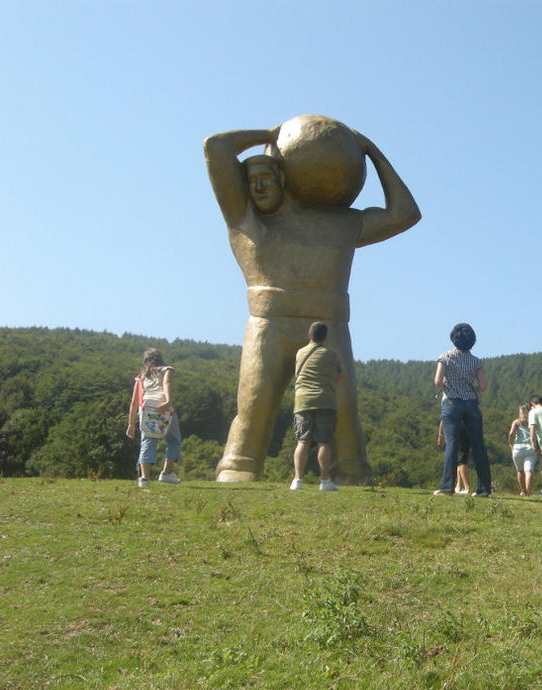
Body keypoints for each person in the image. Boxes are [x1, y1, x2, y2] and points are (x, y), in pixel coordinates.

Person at [204, 122, 420, 483]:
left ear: (285, 179)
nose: (259, 187)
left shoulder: (341, 224)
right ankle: (240, 463)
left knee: (345, 410)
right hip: (268, 324)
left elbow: (405, 213)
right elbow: (216, 148)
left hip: (330, 325)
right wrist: (270, 134)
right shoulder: (246, 220)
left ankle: (349, 469)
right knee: (254, 404)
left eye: (267, 178)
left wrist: (371, 152)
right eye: (252, 179)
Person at [433, 323, 491, 497]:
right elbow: (483, 386)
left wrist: (447, 385)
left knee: (452, 444)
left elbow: (438, 381)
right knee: (478, 445)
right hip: (471, 403)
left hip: (451, 402)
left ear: (453, 338)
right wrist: (471, 389)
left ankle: (447, 487)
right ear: (472, 341)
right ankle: (483, 489)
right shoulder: (476, 361)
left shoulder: (445, 357)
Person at [290, 321, 343, 492]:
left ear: (309, 334)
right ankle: (324, 481)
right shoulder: (332, 354)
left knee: (302, 441)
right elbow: (341, 375)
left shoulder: (300, 353)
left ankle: (297, 480)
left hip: (302, 401)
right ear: (325, 337)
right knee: (323, 442)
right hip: (325, 400)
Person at [126, 348, 181, 488]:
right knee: (173, 439)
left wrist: (131, 424)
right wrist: (168, 401)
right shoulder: (166, 370)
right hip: (164, 408)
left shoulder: (141, 376)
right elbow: (166, 384)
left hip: (145, 409)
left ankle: (144, 478)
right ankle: (166, 473)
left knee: (147, 441)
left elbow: (134, 402)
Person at [508, 405, 538, 496]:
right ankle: (528, 492)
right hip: (530, 448)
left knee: (520, 471)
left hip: (518, 449)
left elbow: (511, 433)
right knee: (528, 471)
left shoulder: (516, 422)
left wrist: (511, 444)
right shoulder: (533, 422)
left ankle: (524, 491)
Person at [438, 420, 471, 494]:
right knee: (459, 459)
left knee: (461, 459)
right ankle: (458, 486)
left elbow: (444, 418)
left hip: (458, 430)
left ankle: (466, 487)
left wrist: (440, 434)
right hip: (464, 429)